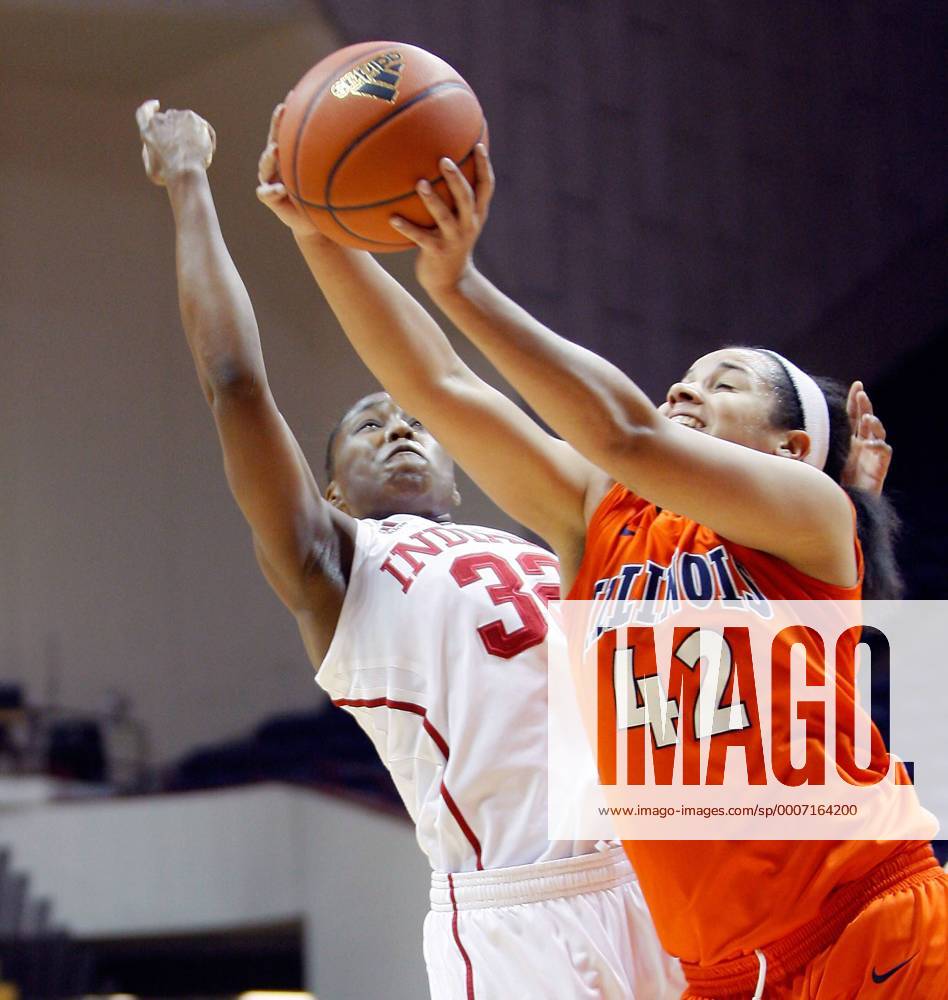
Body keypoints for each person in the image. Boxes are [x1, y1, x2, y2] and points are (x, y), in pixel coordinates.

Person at [255, 107, 944, 997]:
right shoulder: (597, 518)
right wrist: (320, 234)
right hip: (724, 975)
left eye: (723, 382)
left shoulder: (811, 519)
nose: (685, 388)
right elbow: (437, 384)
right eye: (683, 376)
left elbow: (621, 430)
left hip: (870, 923)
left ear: (789, 449)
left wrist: (461, 286)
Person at [136, 101, 685, 1000]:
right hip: (517, 910)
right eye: (366, 424)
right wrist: (191, 181)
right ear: (331, 492)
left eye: (413, 420)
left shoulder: (556, 537)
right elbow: (234, 386)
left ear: (460, 468)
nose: (398, 426)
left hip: (655, 874)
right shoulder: (339, 566)